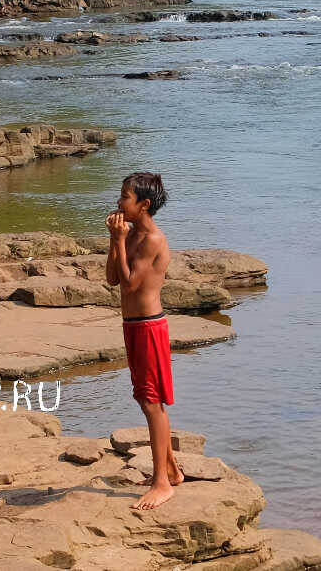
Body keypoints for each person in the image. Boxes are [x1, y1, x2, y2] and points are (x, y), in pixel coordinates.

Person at [106, 172, 182, 510]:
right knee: (144, 397)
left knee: (152, 402)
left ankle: (162, 483)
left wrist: (119, 240)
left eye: (125, 196)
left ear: (144, 204)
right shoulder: (131, 234)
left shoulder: (152, 239)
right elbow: (113, 278)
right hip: (133, 325)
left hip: (149, 327)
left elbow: (131, 284)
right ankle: (172, 470)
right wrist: (115, 240)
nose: (119, 201)